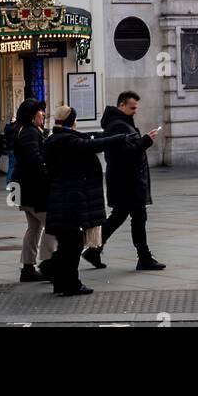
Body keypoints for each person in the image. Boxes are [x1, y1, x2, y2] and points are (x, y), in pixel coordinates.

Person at [43, 103, 121, 298]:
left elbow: (91, 140)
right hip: (68, 202)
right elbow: (91, 144)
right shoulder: (66, 141)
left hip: (61, 200)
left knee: (67, 244)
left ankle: (59, 280)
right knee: (73, 245)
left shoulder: (57, 139)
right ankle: (70, 283)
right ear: (72, 122)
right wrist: (119, 138)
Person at [82, 91, 163, 272]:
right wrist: (146, 142)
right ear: (122, 106)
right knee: (138, 218)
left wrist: (143, 141)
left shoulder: (120, 123)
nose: (135, 111)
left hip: (125, 181)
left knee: (119, 217)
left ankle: (94, 250)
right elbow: (124, 153)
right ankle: (144, 257)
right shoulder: (118, 125)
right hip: (127, 181)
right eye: (132, 108)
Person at [11, 98, 56, 282]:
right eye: (40, 111)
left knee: (34, 227)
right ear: (31, 114)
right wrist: (49, 170)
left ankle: (28, 267)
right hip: (35, 189)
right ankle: (48, 264)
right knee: (52, 225)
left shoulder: (21, 130)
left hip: (25, 188)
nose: (43, 114)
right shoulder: (30, 132)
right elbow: (35, 159)